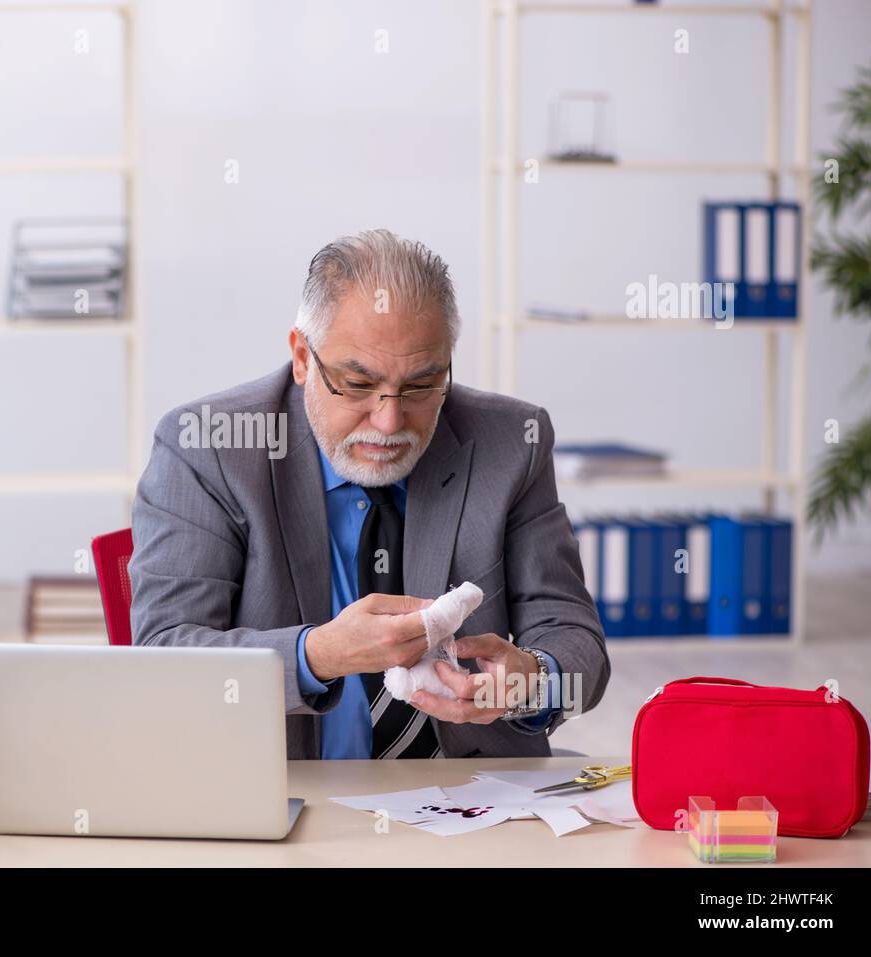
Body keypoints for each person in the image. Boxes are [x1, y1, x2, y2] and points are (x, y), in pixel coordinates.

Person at [130, 229, 609, 759]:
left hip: (475, 804)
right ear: (302, 358)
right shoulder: (208, 447)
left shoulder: (511, 442)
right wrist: (319, 655)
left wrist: (533, 681)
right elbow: (164, 660)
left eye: (421, 386)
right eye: (358, 385)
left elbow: (579, 648)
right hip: (281, 797)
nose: (389, 421)